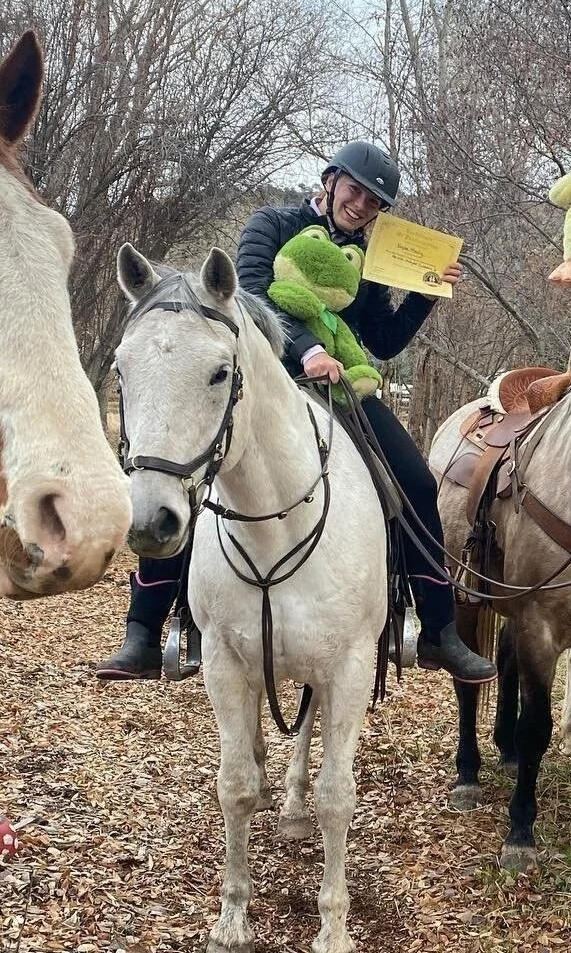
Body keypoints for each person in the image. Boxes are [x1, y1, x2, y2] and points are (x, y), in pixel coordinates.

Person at [95, 141, 498, 685]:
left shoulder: (370, 259)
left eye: (374, 202)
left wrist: (425, 295)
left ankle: (437, 629)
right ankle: (143, 632)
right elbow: (253, 294)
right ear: (331, 180)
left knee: (417, 483)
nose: (361, 206)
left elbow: (382, 340)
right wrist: (307, 349)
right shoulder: (271, 224)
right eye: (355, 191)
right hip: (261, 383)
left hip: (340, 386)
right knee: (183, 468)